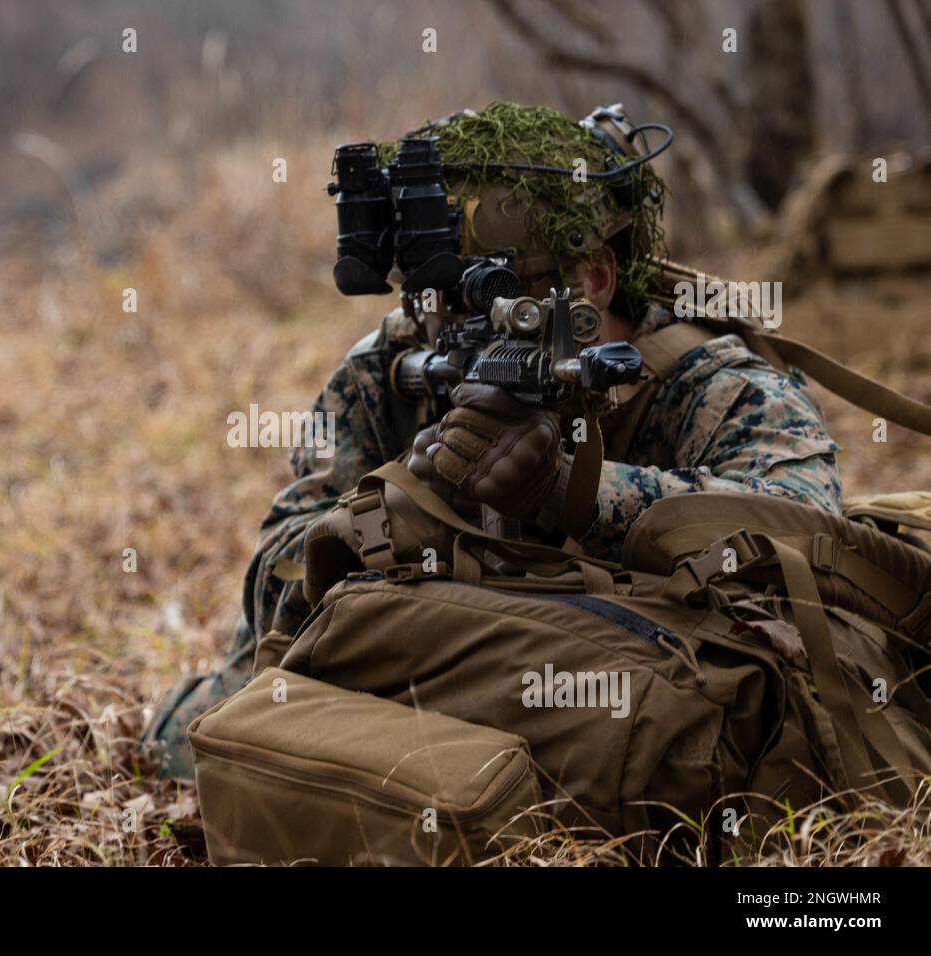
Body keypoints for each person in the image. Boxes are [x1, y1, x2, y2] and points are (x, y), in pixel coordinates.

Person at [142, 102, 842, 778]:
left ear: (595, 279)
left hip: (614, 700)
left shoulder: (712, 386)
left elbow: (813, 541)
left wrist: (579, 493)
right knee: (195, 735)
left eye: (500, 293)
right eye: (436, 298)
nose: (454, 325)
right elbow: (274, 577)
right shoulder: (392, 372)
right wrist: (398, 516)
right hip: (434, 681)